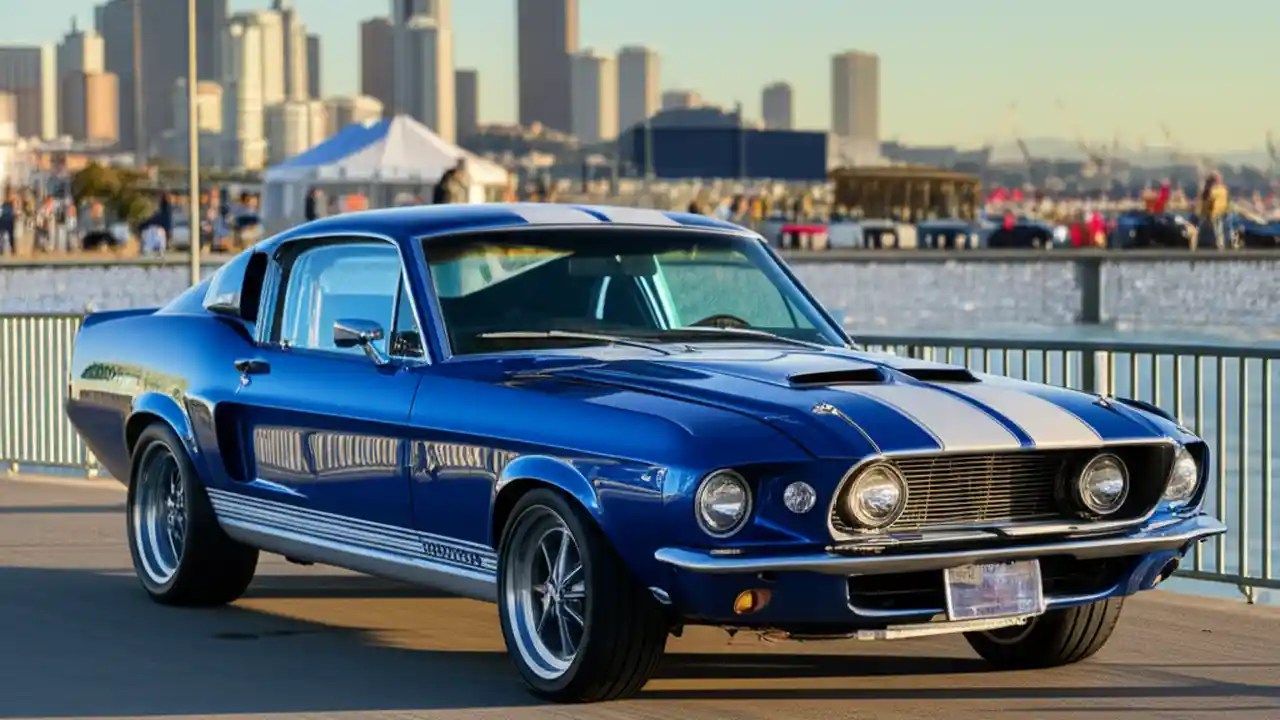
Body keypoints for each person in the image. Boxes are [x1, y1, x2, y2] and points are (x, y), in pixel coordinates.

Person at [1198, 172, 1230, 250]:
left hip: (1217, 212)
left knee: (1217, 229)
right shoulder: (1221, 189)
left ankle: (1219, 244)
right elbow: (1209, 201)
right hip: (1217, 212)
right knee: (1217, 229)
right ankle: (1219, 244)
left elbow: (1209, 201)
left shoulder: (1217, 189)